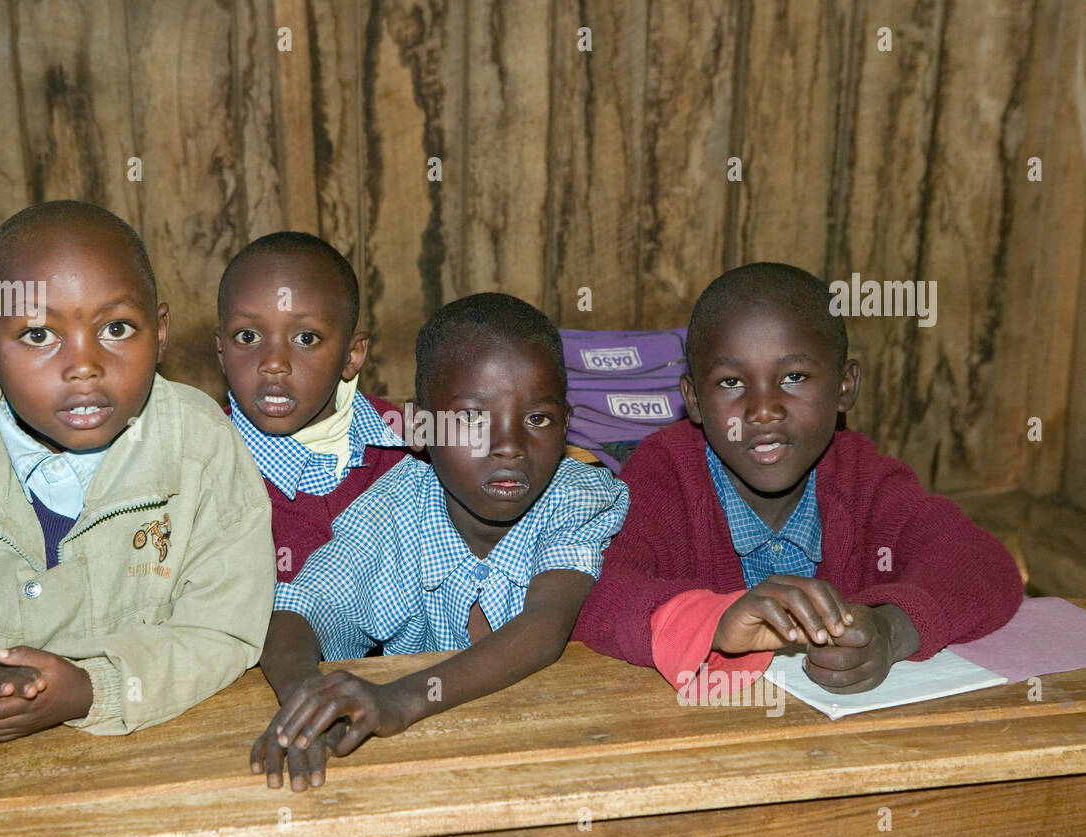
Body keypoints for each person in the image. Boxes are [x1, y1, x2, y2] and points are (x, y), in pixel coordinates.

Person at [0, 200, 274, 837]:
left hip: (158, 785)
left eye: (116, 329)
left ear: (162, 331)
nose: (84, 364)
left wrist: (93, 689)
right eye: (38, 335)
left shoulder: (202, 450)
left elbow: (223, 631)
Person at [574, 262, 1023, 696]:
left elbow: (981, 562)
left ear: (844, 387)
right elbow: (596, 590)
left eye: (794, 377)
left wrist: (890, 628)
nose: (764, 409)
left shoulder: (863, 479)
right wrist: (716, 620)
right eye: (731, 383)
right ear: (693, 399)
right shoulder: (667, 476)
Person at [251, 293, 629, 790]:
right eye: (473, 418)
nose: (510, 445)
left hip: (575, 758)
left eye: (538, 419)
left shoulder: (579, 496)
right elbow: (294, 610)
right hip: (435, 771)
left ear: (565, 426)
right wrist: (309, 701)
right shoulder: (394, 510)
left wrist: (399, 700)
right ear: (422, 428)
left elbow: (544, 626)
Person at [215, 232, 409, 582]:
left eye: (306, 338)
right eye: (248, 337)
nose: (273, 363)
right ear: (221, 353)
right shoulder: (202, 468)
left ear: (352, 356)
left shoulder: (410, 448)